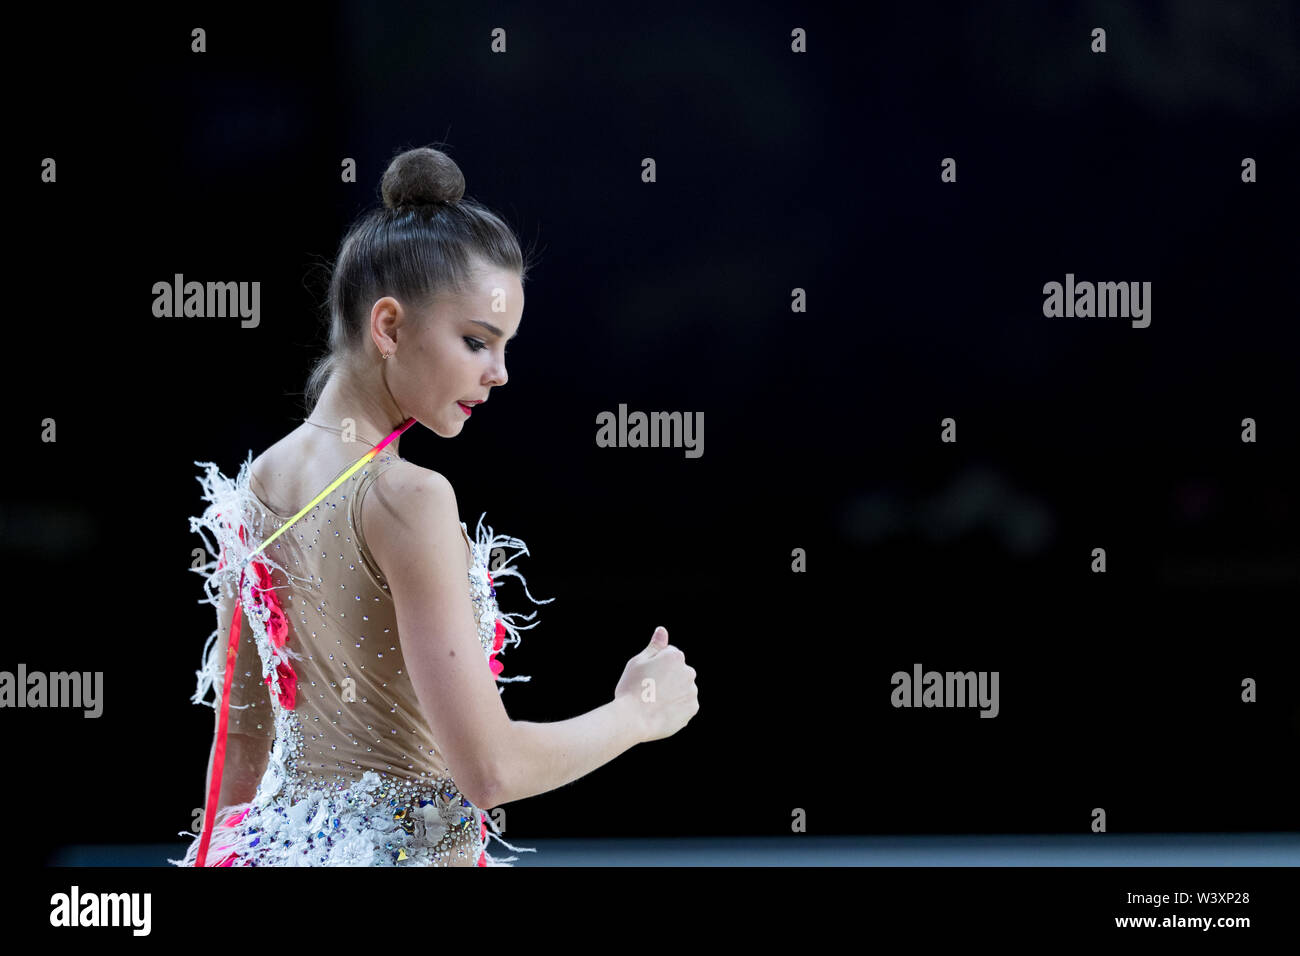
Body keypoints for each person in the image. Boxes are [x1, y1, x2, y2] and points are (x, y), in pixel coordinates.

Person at [171, 145, 699, 867]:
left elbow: (237, 752)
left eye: (505, 346)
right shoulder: (407, 497)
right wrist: (642, 713)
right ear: (388, 327)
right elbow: (490, 771)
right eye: (477, 341)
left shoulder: (256, 485)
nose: (501, 373)